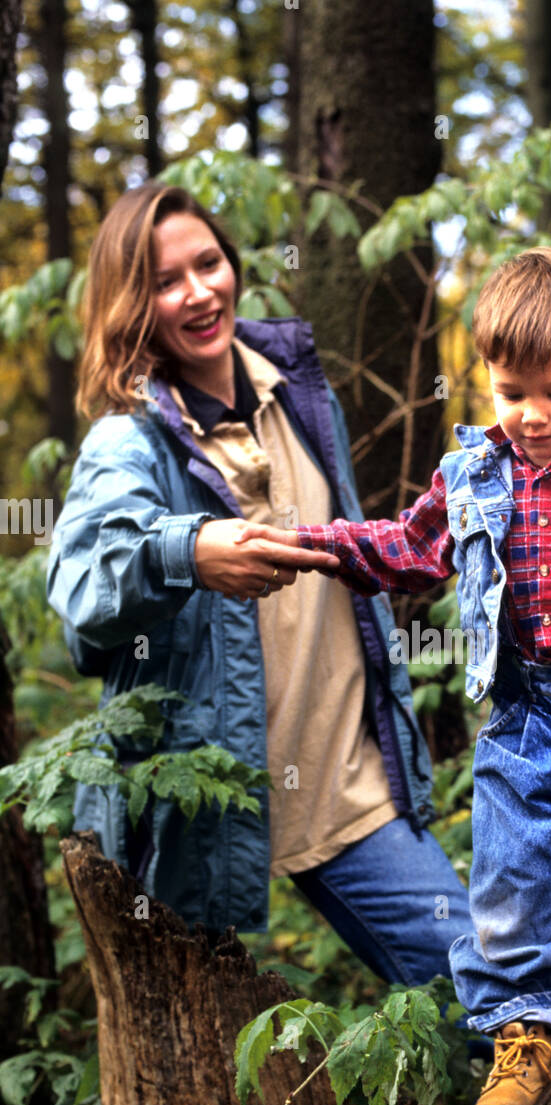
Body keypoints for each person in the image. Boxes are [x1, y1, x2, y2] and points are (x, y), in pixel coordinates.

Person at [235, 247, 551, 1105]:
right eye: (509, 394)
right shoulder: (472, 475)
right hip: (521, 715)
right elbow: (408, 547)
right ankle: (522, 1032)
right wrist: (314, 545)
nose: (531, 416)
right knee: (511, 878)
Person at [46, 181, 474, 999]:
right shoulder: (127, 440)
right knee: (193, 1064)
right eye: (166, 281)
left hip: (342, 782)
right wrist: (188, 550)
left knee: (478, 987)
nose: (199, 292)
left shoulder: (297, 391)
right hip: (201, 805)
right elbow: (81, 599)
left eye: (208, 263)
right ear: (133, 306)